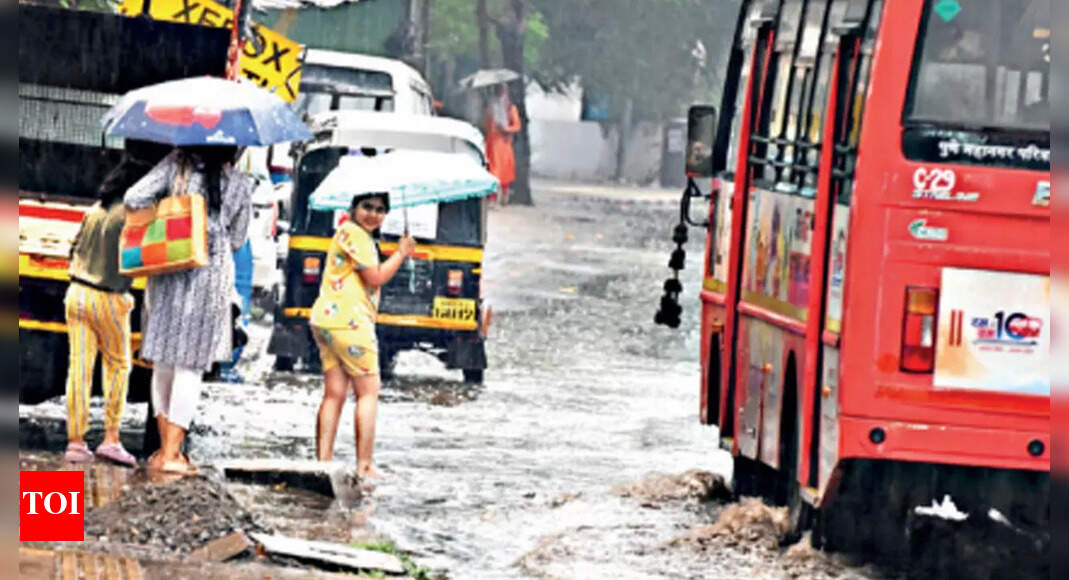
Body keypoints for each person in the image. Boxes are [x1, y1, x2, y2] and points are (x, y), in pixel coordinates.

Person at [124, 145, 253, 475]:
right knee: (190, 366)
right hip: (210, 276)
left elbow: (134, 197)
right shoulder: (239, 183)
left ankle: (164, 451)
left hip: (169, 267)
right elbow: (237, 239)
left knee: (164, 362)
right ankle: (173, 453)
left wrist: (170, 214)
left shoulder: (176, 166)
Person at [63, 141, 170, 466]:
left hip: (76, 293)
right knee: (118, 366)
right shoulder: (134, 215)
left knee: (79, 368)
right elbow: (137, 262)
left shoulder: (94, 210)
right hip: (109, 297)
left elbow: (73, 250)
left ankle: (76, 442)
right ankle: (111, 438)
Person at [310, 192, 415, 477]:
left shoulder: (344, 231)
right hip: (351, 323)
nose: (373, 214)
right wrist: (401, 253)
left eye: (380, 210)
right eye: (366, 206)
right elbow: (376, 277)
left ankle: (323, 463)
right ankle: (364, 465)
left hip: (326, 320)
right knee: (368, 393)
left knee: (334, 394)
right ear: (354, 208)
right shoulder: (357, 235)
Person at [483, 84, 522, 204]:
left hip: (504, 144)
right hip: (492, 144)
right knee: (492, 172)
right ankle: (492, 198)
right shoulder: (490, 108)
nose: (500, 94)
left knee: (505, 172)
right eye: (498, 91)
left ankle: (504, 196)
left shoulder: (510, 108)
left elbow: (517, 126)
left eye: (502, 91)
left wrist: (506, 129)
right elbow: (486, 124)